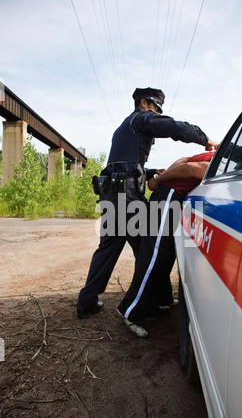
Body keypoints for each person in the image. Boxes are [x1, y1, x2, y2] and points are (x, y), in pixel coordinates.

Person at [77, 86, 219, 319]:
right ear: (144, 103)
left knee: (110, 248)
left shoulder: (126, 127)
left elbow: (124, 163)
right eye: (156, 108)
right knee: (153, 246)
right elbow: (173, 127)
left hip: (114, 192)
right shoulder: (140, 118)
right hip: (126, 195)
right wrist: (203, 139)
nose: (157, 115)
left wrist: (151, 171)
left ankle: (87, 302)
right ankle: (156, 299)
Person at [117, 150, 215, 337]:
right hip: (168, 195)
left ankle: (159, 301)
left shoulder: (210, 155)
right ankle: (130, 310)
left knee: (166, 254)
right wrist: (158, 180)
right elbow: (186, 167)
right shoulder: (216, 162)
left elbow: (184, 160)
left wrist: (166, 177)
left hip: (171, 195)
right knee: (155, 254)